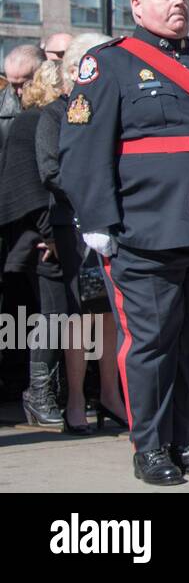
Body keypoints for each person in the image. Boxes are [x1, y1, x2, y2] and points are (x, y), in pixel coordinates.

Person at [59, 0, 189, 485]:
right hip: (141, 230)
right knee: (149, 345)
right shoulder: (108, 64)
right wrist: (97, 219)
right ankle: (148, 446)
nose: (178, 2)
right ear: (136, 6)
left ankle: (182, 439)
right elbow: (83, 147)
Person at [39, 34, 125, 434]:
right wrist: (94, 191)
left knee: (106, 317)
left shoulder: (107, 105)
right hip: (73, 224)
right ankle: (76, 401)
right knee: (79, 319)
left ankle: (110, 395)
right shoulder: (55, 114)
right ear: (74, 71)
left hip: (108, 219)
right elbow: (51, 171)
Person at [0, 60, 67, 428]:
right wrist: (51, 234)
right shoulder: (40, 121)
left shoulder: (30, 120)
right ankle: (40, 394)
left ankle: (41, 392)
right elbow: (37, 185)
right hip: (40, 237)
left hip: (29, 237)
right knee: (52, 315)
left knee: (45, 317)